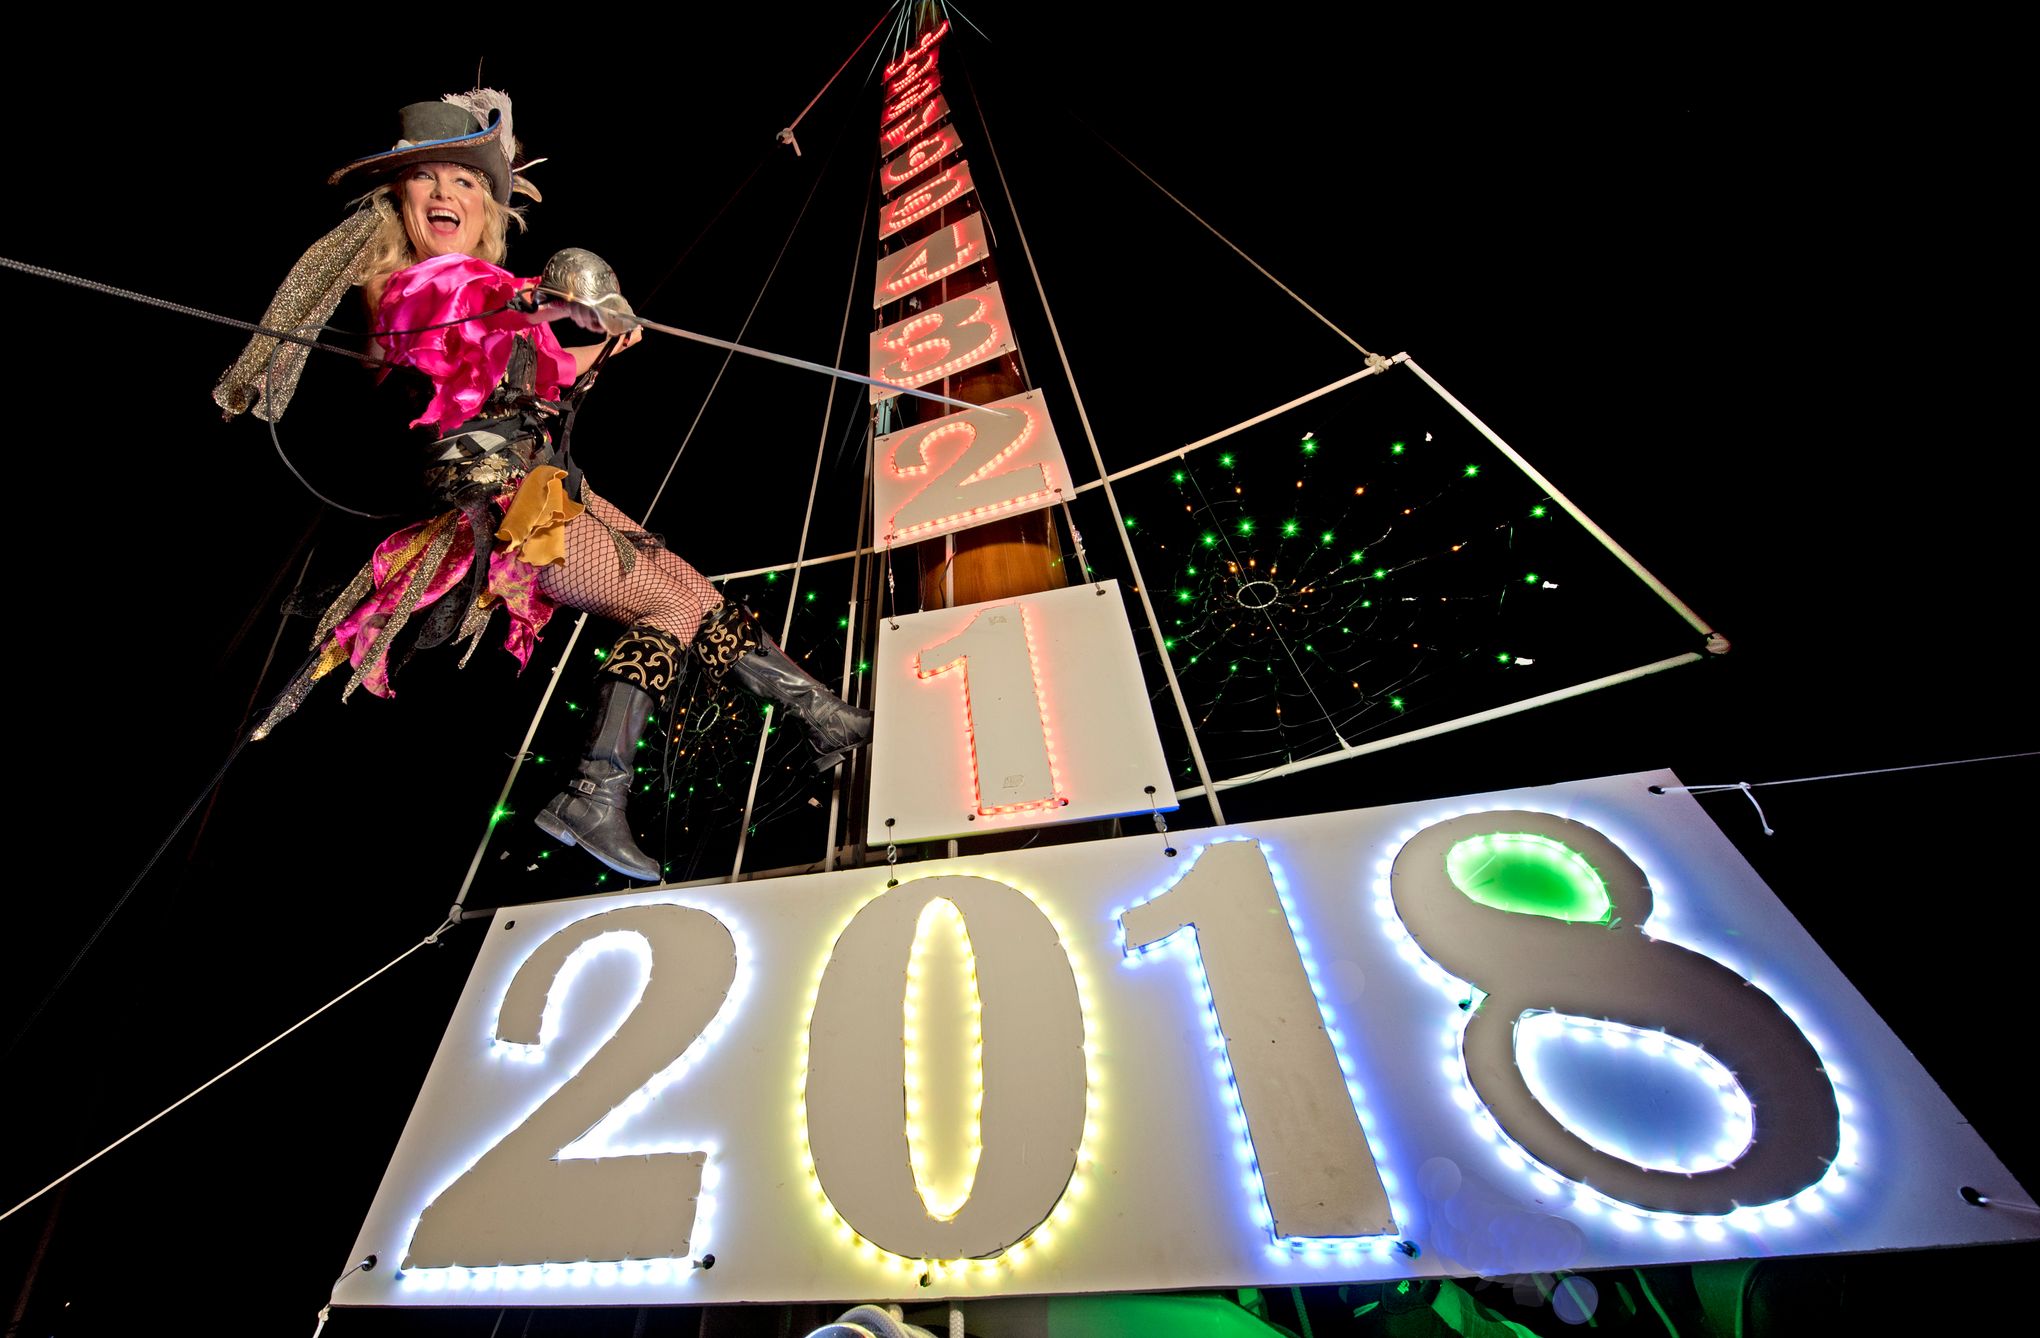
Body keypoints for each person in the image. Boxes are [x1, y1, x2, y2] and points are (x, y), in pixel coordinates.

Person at [214, 89, 870, 882]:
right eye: (429, 180)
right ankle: (595, 792)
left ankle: (822, 714)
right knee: (659, 605)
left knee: (688, 588)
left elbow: (547, 373)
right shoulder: (418, 285)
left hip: (548, 482)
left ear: (487, 203)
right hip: (494, 497)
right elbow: (469, 296)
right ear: (402, 199)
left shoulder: (493, 296)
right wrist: (543, 295)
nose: (447, 194)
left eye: (465, 180)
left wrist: (603, 344)